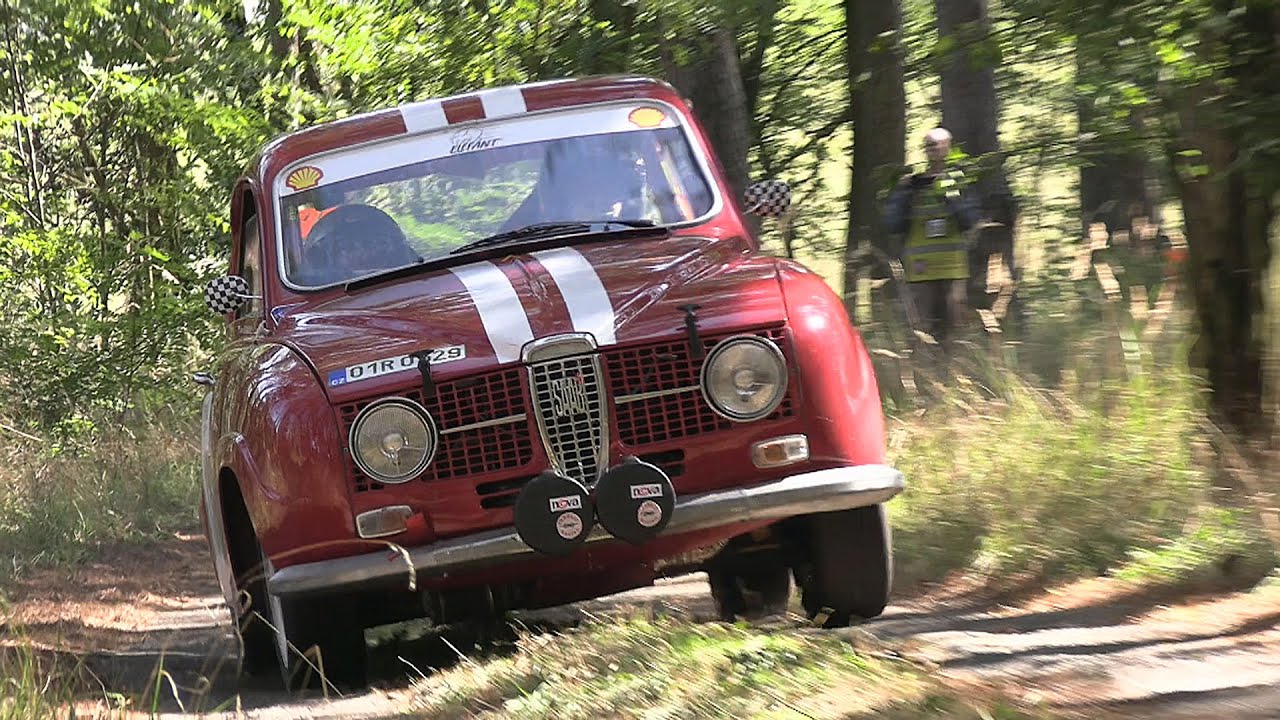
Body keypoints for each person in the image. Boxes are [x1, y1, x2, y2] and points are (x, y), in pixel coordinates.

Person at [884, 127, 979, 346]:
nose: (933, 150)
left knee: (955, 329)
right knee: (921, 330)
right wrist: (904, 194)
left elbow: (970, 221)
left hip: (953, 269)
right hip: (920, 270)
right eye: (928, 145)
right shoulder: (911, 185)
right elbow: (893, 224)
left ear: (948, 147)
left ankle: (955, 376)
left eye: (937, 145)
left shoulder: (960, 183)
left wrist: (951, 194)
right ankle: (924, 376)